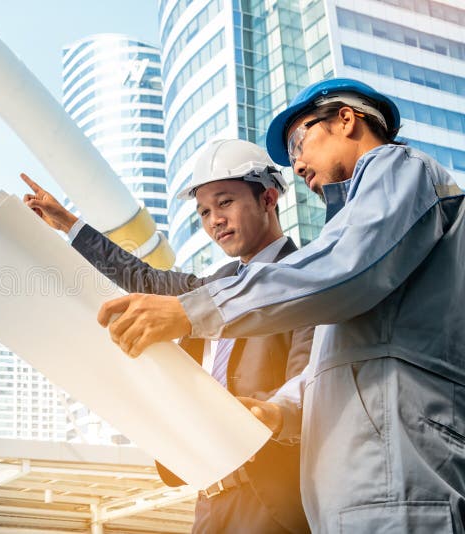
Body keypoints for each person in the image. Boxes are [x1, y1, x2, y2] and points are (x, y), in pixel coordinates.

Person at [98, 78, 465, 532]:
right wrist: (281, 411)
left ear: (346, 119)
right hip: (354, 487)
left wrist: (192, 313)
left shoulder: (397, 167)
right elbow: (327, 367)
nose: (296, 163)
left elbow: (341, 267)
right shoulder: (340, 257)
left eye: (298, 141)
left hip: (397, 479)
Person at [22, 138, 311, 534]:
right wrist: (69, 225)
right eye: (204, 212)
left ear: (268, 199)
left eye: (225, 203)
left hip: (272, 501)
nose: (214, 221)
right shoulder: (215, 285)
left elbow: (307, 390)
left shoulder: (310, 281)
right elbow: (144, 279)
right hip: (209, 500)